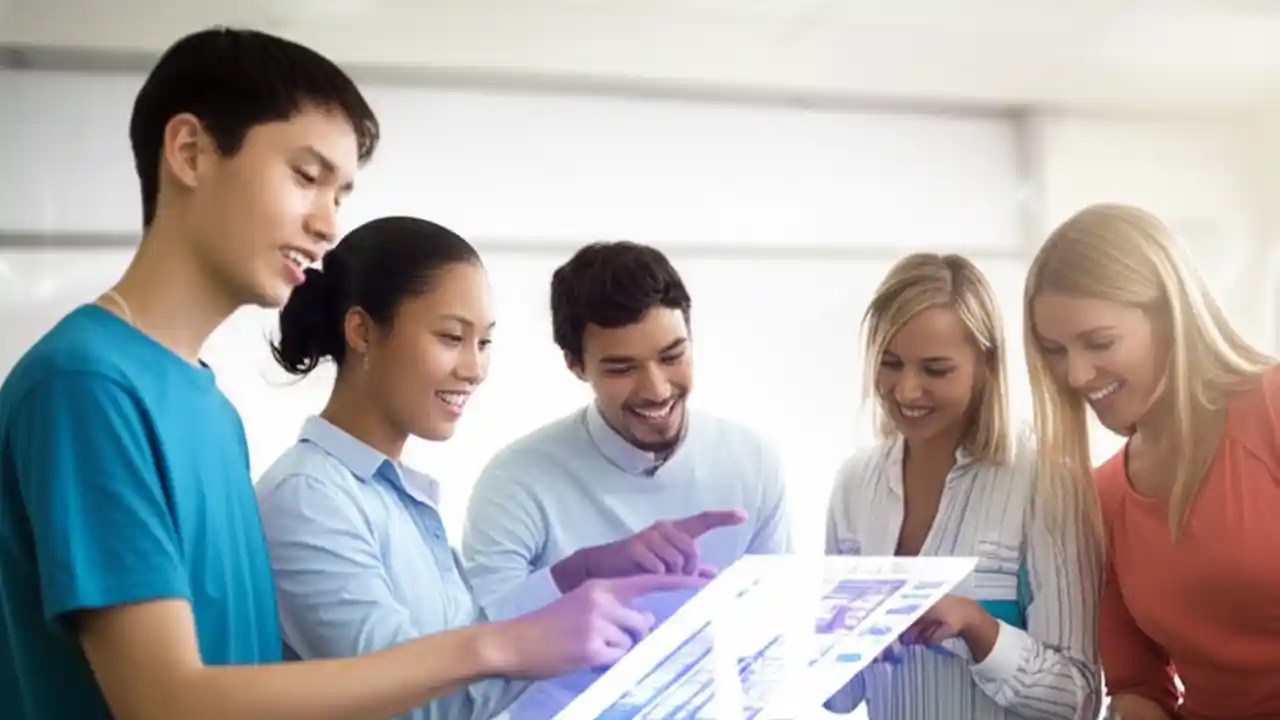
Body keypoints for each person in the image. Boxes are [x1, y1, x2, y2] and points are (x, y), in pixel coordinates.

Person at [0, 28, 699, 720]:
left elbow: (251, 673)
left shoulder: (206, 403)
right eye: (306, 178)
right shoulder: (88, 386)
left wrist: (560, 597)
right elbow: (165, 699)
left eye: (341, 194)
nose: (328, 224)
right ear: (190, 152)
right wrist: (502, 645)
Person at [1024, 203, 1280, 720]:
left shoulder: (1271, 410)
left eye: (1099, 342)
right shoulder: (1104, 498)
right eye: (1054, 350)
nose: (1075, 375)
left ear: (1171, 315)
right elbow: (1139, 686)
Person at [825, 253, 1101, 719]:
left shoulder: (1046, 481)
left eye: (935, 370)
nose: (907, 391)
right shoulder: (854, 486)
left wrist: (978, 628)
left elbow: (1078, 698)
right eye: (890, 364)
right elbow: (840, 696)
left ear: (987, 364)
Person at [461, 240, 794, 626]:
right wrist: (577, 574)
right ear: (575, 365)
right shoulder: (516, 480)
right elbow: (475, 641)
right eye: (622, 368)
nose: (656, 390)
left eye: (672, 357)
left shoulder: (752, 464)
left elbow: (776, 620)